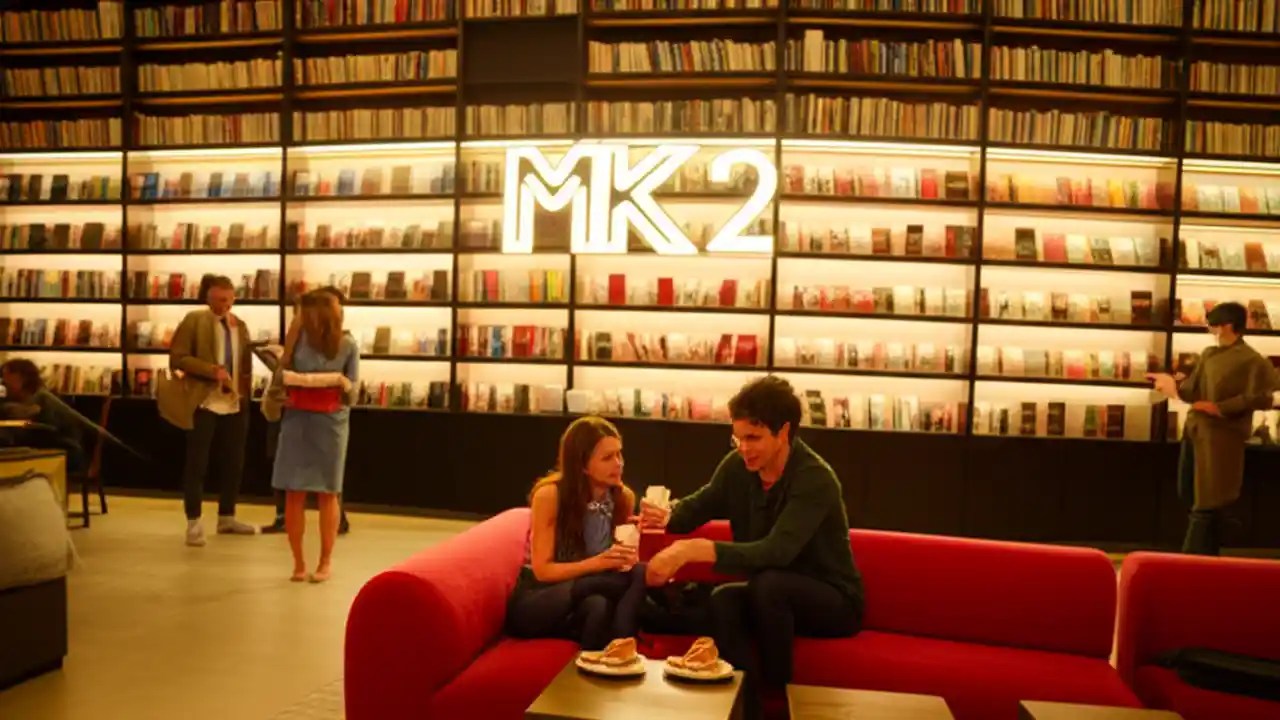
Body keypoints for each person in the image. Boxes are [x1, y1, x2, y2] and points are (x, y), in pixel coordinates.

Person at [640, 376, 863, 720]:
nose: (744, 448)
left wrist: (692, 551)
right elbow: (699, 506)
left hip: (831, 599)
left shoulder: (815, 479)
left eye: (753, 438)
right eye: (738, 438)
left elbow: (777, 552)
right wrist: (664, 515)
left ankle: (779, 701)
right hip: (769, 594)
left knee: (770, 583)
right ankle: (749, 709)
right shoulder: (739, 467)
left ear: (783, 432)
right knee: (723, 599)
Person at [1148, 301, 1280, 556]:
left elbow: (1263, 396)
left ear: (1228, 326)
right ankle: (1208, 557)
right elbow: (1191, 391)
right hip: (1196, 429)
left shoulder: (1252, 360)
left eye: (1214, 324)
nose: (1210, 329)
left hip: (1221, 436)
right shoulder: (1209, 354)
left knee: (1208, 498)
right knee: (1188, 490)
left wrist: (1221, 407)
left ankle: (1191, 562)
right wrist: (1171, 384)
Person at [505, 416, 647, 651]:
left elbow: (618, 564)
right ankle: (626, 646)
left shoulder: (623, 498)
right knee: (633, 578)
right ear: (582, 464)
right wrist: (599, 563)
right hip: (541, 597)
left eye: (619, 454)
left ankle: (608, 661)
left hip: (591, 594)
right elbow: (543, 571)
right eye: (607, 457)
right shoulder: (550, 495)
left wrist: (628, 554)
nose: (619, 463)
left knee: (600, 604)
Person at [159, 274, 257, 546]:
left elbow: (244, 360)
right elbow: (177, 357)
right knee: (197, 462)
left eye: (226, 300)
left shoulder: (241, 325)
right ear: (207, 299)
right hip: (203, 401)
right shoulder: (195, 320)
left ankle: (227, 516)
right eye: (216, 300)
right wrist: (209, 370)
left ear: (234, 298)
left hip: (235, 400)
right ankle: (193, 521)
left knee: (234, 461)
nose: (222, 306)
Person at [269, 291, 359, 582]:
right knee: (293, 491)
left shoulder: (347, 344)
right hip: (297, 419)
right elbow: (279, 378)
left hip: (331, 423)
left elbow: (354, 392)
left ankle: (325, 561)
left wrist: (333, 384)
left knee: (328, 492)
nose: (301, 317)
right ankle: (297, 563)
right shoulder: (297, 340)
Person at [261, 286, 351, 536]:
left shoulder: (342, 341)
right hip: (297, 408)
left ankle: (334, 521)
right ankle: (286, 518)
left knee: (326, 476)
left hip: (323, 412)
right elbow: (286, 366)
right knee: (294, 473)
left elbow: (349, 387)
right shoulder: (300, 333)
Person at [0, 358, 85, 471]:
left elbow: (42, 432)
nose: (3, 381)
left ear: (22, 377)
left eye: (7, 375)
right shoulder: (18, 399)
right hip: (43, 450)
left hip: (62, 453)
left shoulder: (44, 399)